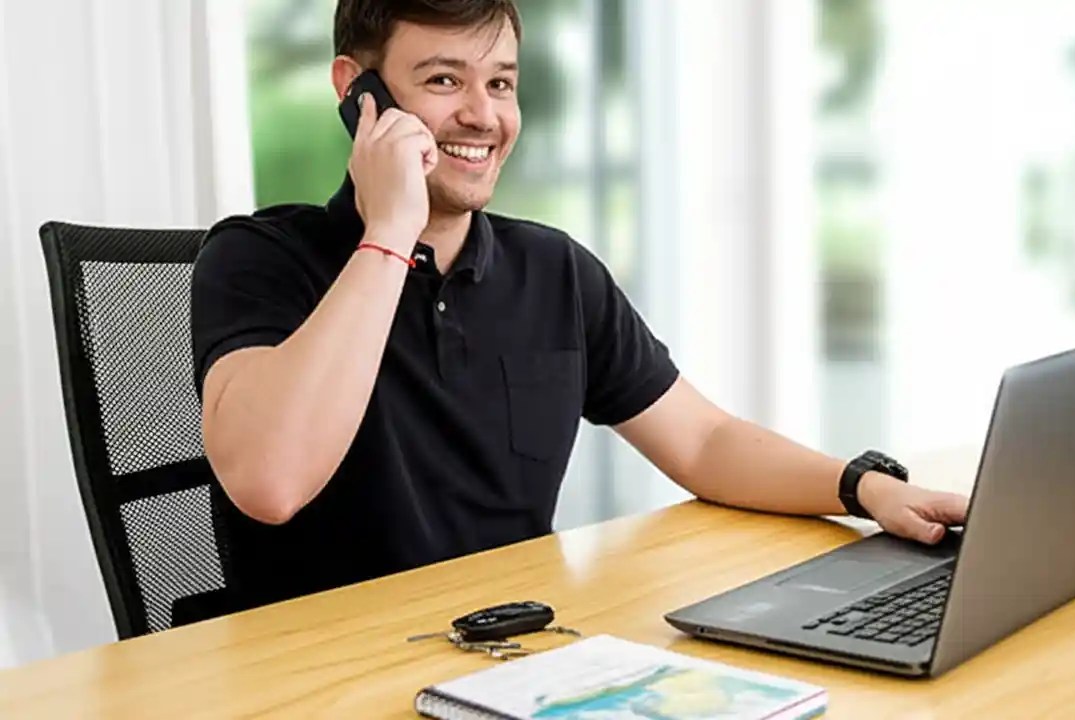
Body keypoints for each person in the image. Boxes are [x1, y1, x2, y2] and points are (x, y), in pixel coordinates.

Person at [191, 0, 968, 609]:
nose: (482, 115)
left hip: (511, 658)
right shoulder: (258, 258)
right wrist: (391, 231)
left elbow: (702, 443)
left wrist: (867, 487)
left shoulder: (553, 270)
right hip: (318, 681)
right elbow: (270, 482)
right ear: (355, 93)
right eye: (442, 80)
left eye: (499, 81)